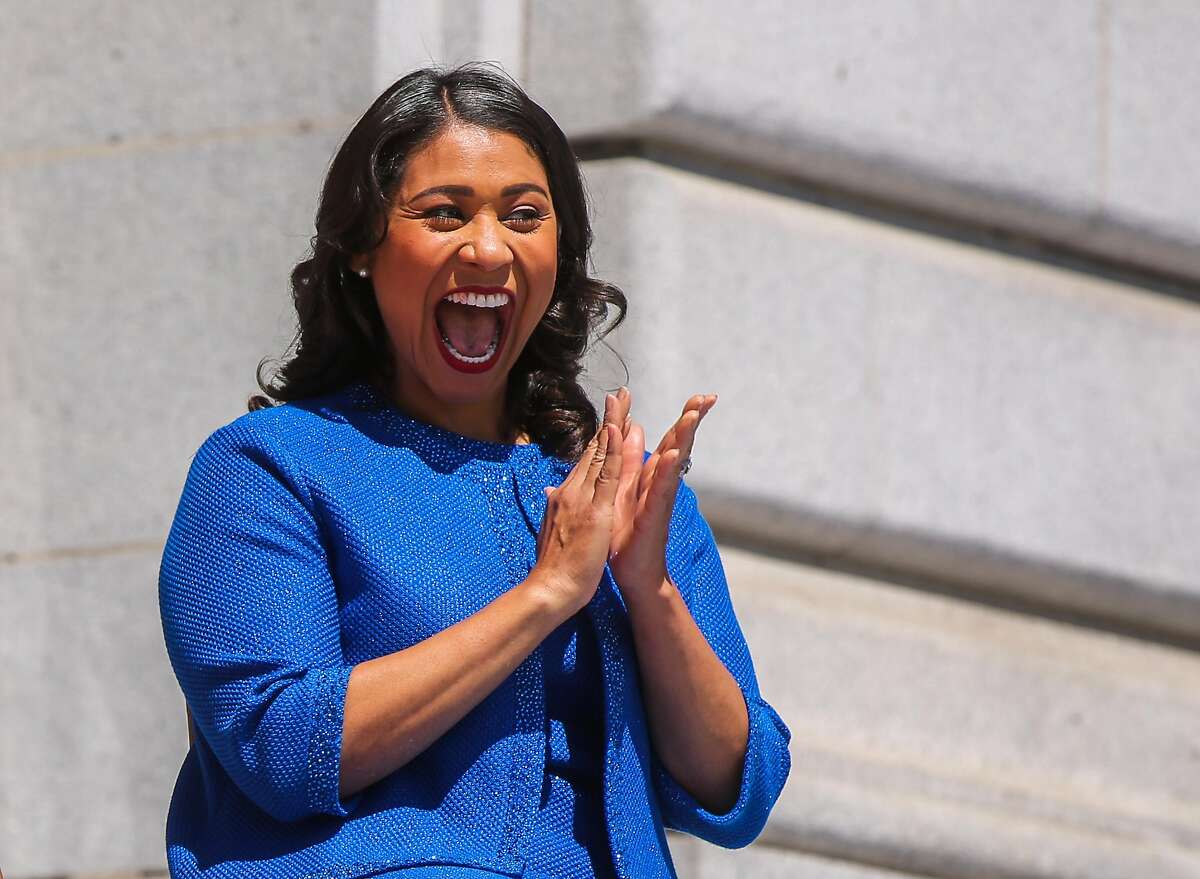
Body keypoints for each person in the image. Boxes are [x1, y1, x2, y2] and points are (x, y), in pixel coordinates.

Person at [158, 64, 790, 879]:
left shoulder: (622, 500)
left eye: (525, 215)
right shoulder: (269, 467)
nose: (489, 247)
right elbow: (281, 747)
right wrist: (547, 593)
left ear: (559, 254)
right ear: (360, 246)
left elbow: (738, 787)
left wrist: (649, 590)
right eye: (444, 213)